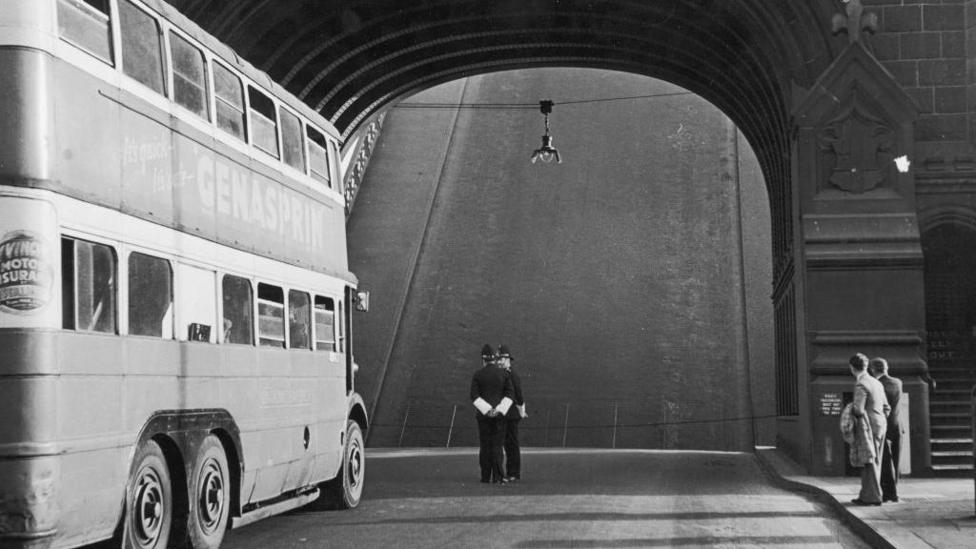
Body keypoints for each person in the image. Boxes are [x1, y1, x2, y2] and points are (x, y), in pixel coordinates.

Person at [848, 353, 890, 506]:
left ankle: (872, 497)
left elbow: (858, 409)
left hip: (867, 426)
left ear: (852, 368)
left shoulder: (861, 384)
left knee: (868, 460)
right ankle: (866, 494)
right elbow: (887, 407)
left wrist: (848, 412)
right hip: (880, 424)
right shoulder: (876, 383)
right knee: (875, 459)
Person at [470, 344, 514, 484]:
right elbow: (510, 395)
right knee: (497, 445)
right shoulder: (504, 374)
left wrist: (487, 410)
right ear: (495, 359)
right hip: (500, 416)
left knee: (485, 445)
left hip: (483, 416)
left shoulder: (478, 375)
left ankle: (485, 476)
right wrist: (498, 410)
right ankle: (498, 476)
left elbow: (474, 396)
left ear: (483, 360)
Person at [869, 356, 903, 503]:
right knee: (896, 461)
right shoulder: (898, 382)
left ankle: (890, 494)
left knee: (885, 463)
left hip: (884, 428)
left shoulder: (877, 385)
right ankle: (893, 490)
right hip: (897, 427)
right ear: (886, 368)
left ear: (872, 370)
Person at [498, 345, 526, 482]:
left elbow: (519, 396)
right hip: (508, 414)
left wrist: (521, 410)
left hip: (511, 415)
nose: (499, 361)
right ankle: (511, 472)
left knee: (511, 445)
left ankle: (514, 473)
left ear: (507, 359)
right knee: (508, 445)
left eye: (501, 358)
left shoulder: (512, 375)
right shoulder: (506, 374)